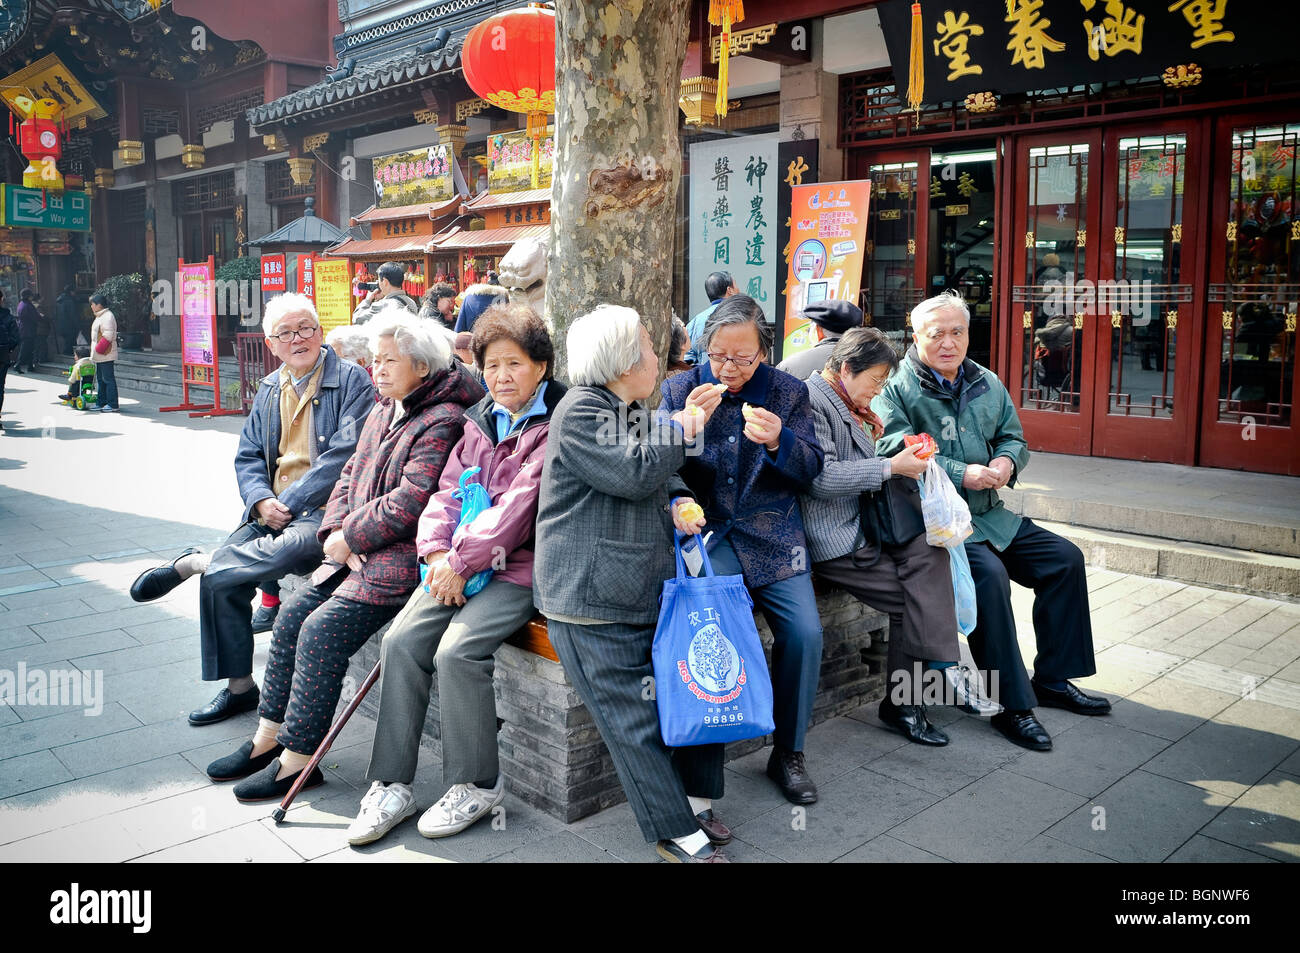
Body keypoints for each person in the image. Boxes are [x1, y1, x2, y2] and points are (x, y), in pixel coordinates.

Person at [207, 314, 483, 801]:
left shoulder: (442, 419)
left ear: (421, 366)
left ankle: (297, 761)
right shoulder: (387, 405)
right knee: (291, 617)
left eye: (388, 360)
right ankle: (266, 740)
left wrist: (350, 539)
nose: (375, 368)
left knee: (319, 631)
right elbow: (349, 471)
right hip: (353, 551)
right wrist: (335, 531)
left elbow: (412, 500)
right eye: (374, 359)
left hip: (397, 560)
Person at [348, 303, 564, 845]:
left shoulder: (554, 424)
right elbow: (445, 493)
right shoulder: (480, 419)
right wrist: (436, 556)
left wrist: (462, 563)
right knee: (400, 641)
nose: (501, 377)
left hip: (515, 569)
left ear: (541, 365)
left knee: (457, 651)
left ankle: (476, 783)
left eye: (513, 364)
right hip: (452, 564)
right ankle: (391, 783)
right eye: (491, 366)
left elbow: (520, 509)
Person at [533, 304, 730, 863]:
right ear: (622, 361)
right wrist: (685, 427)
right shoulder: (578, 410)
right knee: (634, 721)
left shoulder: (627, 406)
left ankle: (693, 802)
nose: (662, 359)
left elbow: (659, 472)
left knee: (689, 696)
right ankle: (675, 829)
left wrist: (680, 497)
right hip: (591, 596)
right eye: (649, 347)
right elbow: (632, 470)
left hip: (638, 584)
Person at [875, 290, 1111, 752]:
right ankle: (1012, 707)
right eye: (936, 333)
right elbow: (896, 448)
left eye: (957, 332)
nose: (949, 342)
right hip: (943, 527)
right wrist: (965, 472)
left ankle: (1054, 679)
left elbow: (1013, 437)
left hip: (991, 516)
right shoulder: (896, 388)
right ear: (916, 335)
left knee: (1064, 559)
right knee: (990, 579)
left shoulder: (985, 381)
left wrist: (1006, 463)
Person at [128, 293, 376, 726]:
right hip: (269, 507)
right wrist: (260, 499)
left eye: (306, 328)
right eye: (286, 333)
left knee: (287, 552)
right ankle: (240, 688)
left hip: (323, 511)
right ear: (271, 343)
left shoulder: (353, 380)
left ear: (320, 333)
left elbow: (347, 454)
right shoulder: (268, 387)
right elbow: (246, 456)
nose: (298, 338)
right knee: (222, 583)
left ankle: (198, 561)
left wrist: (291, 502)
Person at [660, 294, 826, 804]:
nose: (728, 368)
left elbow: (812, 467)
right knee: (708, 625)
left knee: (805, 633)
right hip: (709, 535)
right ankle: (701, 760)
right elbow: (658, 465)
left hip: (773, 534)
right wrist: (679, 489)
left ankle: (789, 751)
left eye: (742, 358)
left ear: (763, 353)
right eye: (718, 355)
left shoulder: (788, 393)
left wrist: (780, 443)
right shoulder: (680, 388)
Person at [801, 328, 1000, 748]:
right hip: (836, 535)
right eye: (874, 381)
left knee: (935, 553)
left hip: (872, 522)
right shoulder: (812, 400)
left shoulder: (850, 402)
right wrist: (892, 467)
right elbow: (821, 478)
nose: (877, 392)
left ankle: (936, 674)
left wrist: (908, 459)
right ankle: (915, 695)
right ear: (846, 368)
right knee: (912, 602)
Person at [776, 299, 864, 380]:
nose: (807, 333)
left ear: (819, 331)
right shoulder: (871, 361)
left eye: (809, 329)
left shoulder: (789, 366)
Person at [684, 271, 737, 365]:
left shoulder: (696, 321)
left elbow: (687, 355)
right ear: (730, 290)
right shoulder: (741, 317)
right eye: (736, 286)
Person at [351, 262, 418, 325]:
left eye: (379, 280)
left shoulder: (383, 305)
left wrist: (367, 300)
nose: (378, 283)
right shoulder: (411, 302)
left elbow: (357, 319)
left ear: (385, 281)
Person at [88, 293, 119, 413]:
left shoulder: (107, 316)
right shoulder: (101, 316)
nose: (91, 306)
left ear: (99, 305)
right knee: (101, 379)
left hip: (106, 353)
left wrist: (98, 350)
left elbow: (108, 335)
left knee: (108, 379)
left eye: (92, 304)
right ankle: (101, 402)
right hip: (101, 354)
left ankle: (113, 404)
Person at [0, 292, 18, 432]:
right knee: (0, 387)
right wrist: (7, 349)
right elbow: (15, 338)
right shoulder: (8, 317)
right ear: (2, 299)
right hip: (2, 356)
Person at [13, 289, 38, 374]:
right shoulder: (28, 305)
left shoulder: (21, 304)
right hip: (28, 330)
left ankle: (30, 366)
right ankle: (18, 365)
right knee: (25, 349)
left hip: (23, 329)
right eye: (31, 295)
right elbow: (34, 317)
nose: (32, 296)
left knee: (29, 348)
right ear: (28, 296)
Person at [55, 285, 80, 356]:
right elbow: (73, 315)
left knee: (67, 341)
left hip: (61, 325)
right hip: (70, 325)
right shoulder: (70, 301)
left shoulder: (59, 301)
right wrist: (78, 325)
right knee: (71, 342)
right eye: (74, 292)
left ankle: (67, 353)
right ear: (71, 292)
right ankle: (68, 354)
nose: (75, 293)